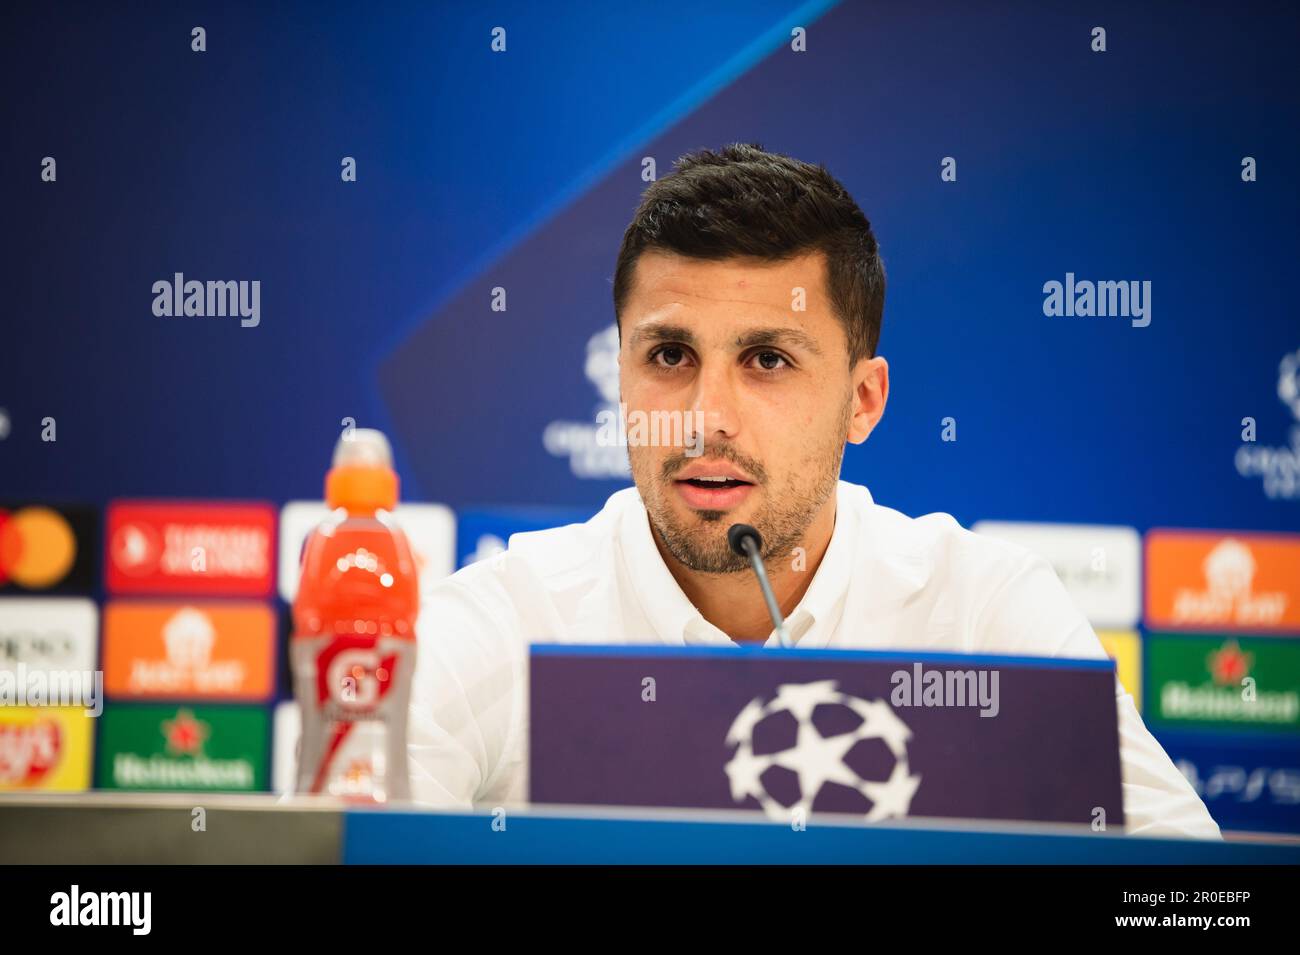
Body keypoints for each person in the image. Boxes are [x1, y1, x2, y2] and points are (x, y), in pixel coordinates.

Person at [407, 143, 1219, 839]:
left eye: (767, 360)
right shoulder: (505, 619)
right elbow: (351, 837)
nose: (706, 420)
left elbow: (1198, 905)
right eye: (668, 356)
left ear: (862, 400)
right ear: (619, 377)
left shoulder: (981, 611)